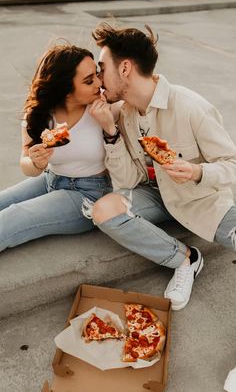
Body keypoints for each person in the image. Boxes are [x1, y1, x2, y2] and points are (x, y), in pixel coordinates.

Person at [87, 23, 236, 311]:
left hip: (200, 200)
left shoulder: (190, 106)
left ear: (126, 68)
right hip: (154, 197)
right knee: (103, 210)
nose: (99, 78)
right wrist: (110, 132)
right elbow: (129, 180)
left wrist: (197, 172)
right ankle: (186, 260)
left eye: (102, 68)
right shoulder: (125, 114)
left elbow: (232, 163)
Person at [0, 44, 113, 252]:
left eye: (96, 74)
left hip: (90, 195)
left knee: (16, 215)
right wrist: (35, 162)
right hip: (51, 179)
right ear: (66, 90)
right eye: (89, 81)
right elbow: (26, 164)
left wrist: (109, 126)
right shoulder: (40, 115)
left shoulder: (104, 108)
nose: (99, 83)